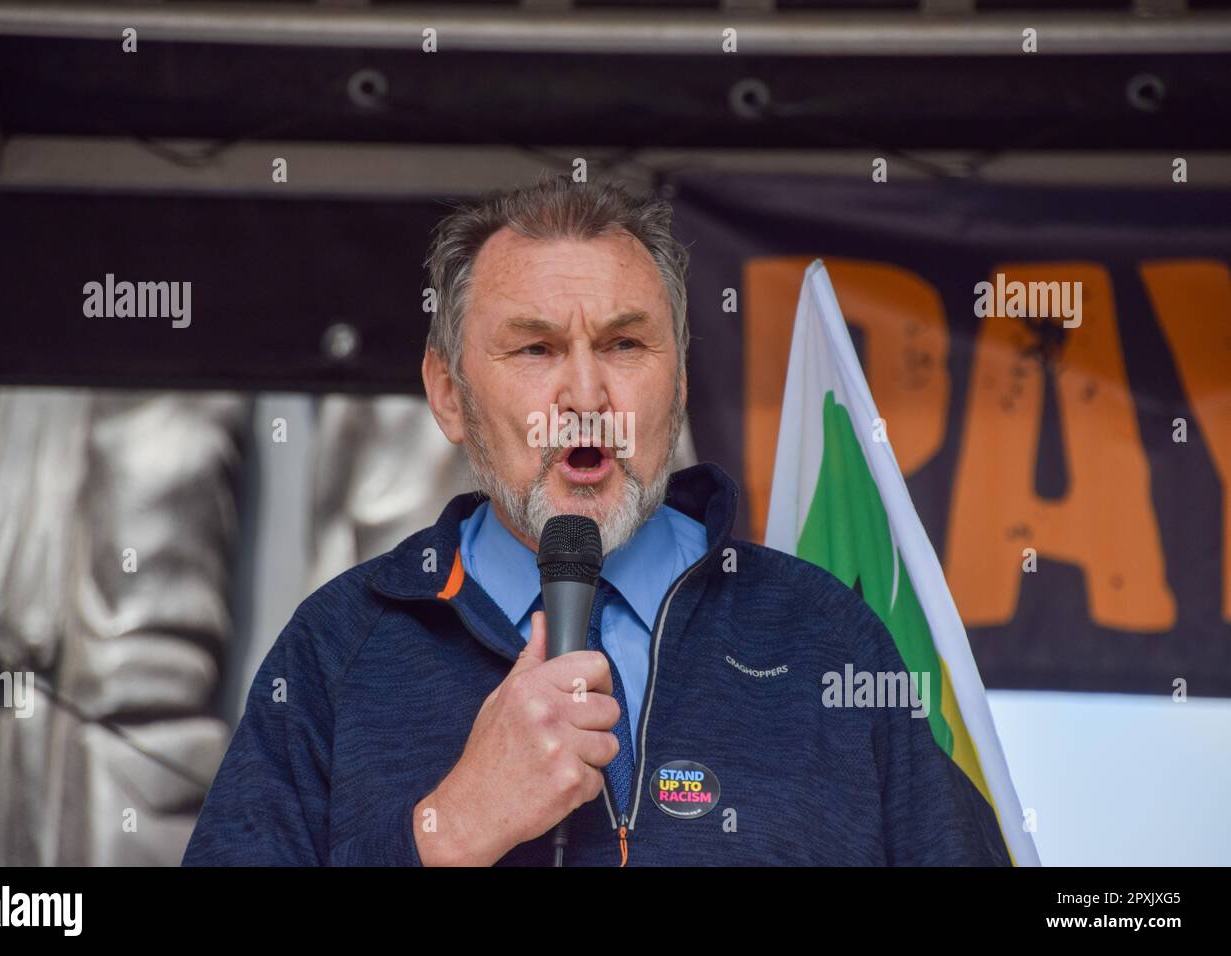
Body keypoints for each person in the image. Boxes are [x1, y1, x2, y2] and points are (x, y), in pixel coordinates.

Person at [181, 174, 1010, 867]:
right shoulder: (339, 650)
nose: (585, 398)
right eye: (535, 349)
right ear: (448, 395)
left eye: (623, 345)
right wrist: (446, 830)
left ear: (678, 382)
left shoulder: (823, 635)